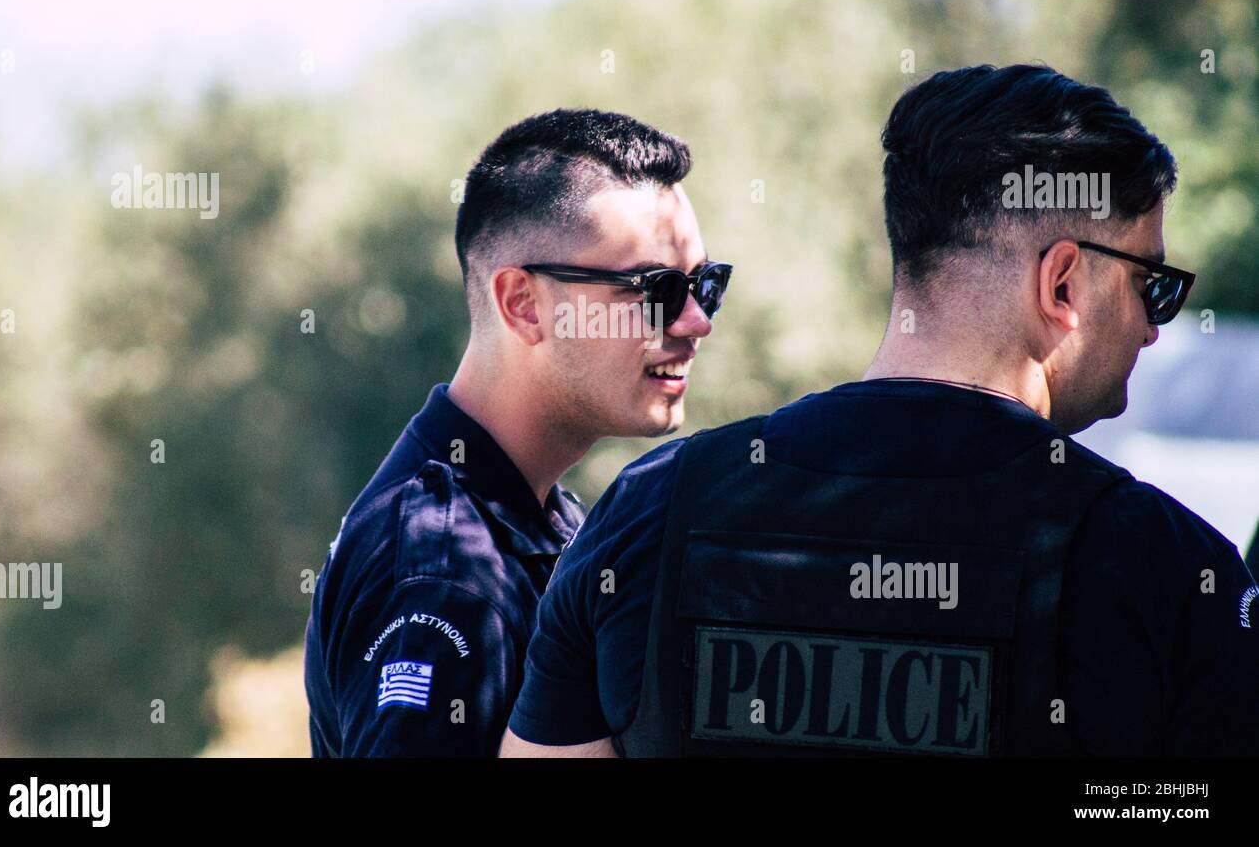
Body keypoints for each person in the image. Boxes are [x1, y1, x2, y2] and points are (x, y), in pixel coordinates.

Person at [499, 65, 1259, 757]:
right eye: (1151, 285)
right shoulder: (1168, 568)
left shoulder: (648, 511)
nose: (1154, 327)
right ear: (1062, 284)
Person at [304, 108, 732, 755]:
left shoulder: (533, 517)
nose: (696, 322)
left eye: (706, 284)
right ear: (524, 305)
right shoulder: (444, 573)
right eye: (658, 290)